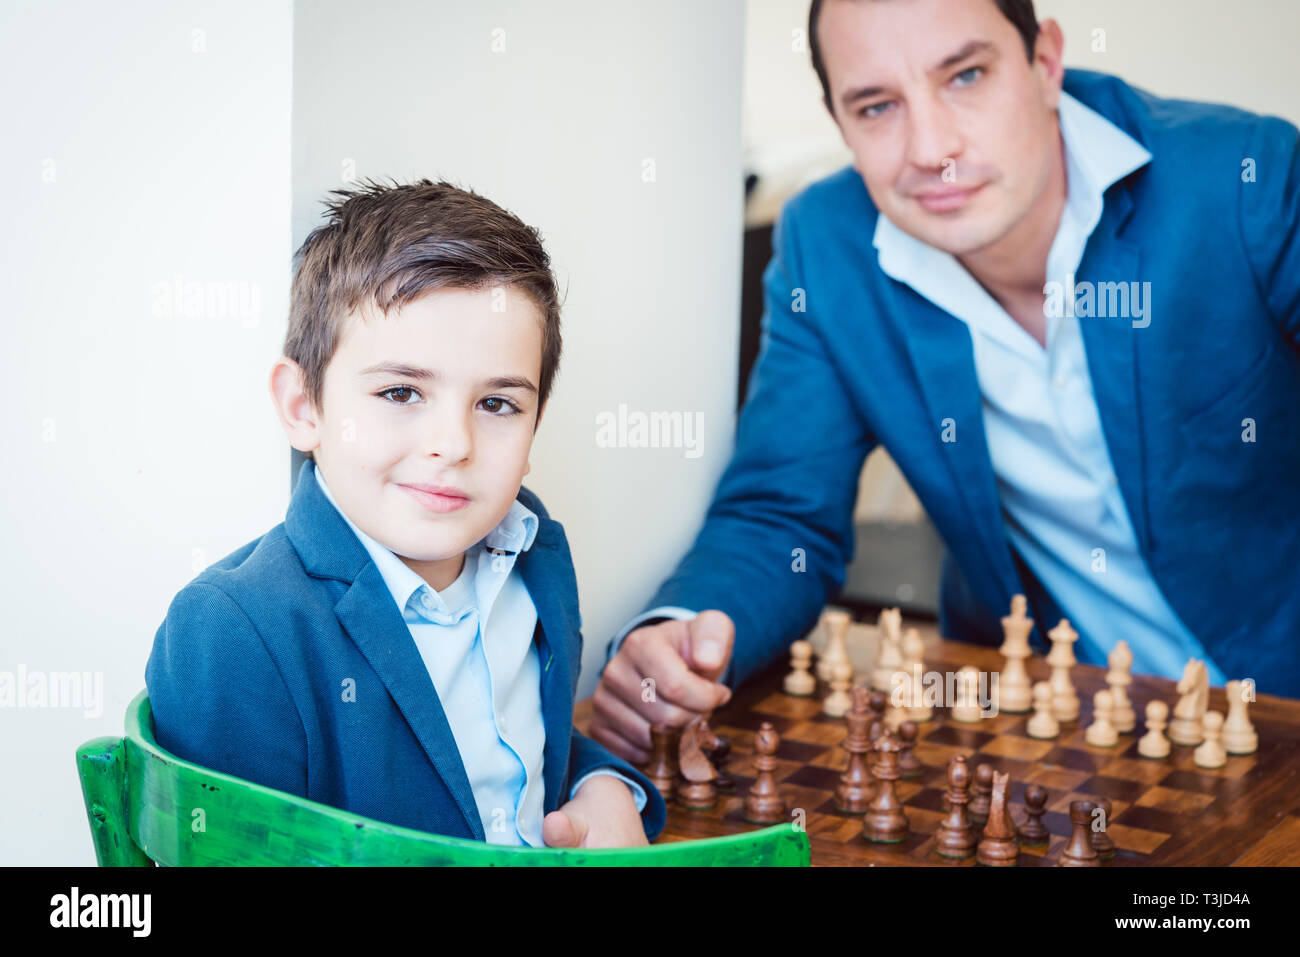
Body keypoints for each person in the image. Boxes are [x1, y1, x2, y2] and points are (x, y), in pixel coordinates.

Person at [590, 0, 1300, 765]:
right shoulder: (826, 247)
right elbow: (780, 517)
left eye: (965, 75)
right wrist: (684, 636)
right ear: (839, 122)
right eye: (877, 105)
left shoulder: (1245, 181)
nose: (933, 150)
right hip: (1050, 732)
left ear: (1046, 60)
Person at [146, 178, 665, 848]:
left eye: (498, 403)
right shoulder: (232, 630)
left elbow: (520, 745)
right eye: (400, 391)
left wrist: (607, 787)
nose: (452, 443)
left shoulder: (533, 559)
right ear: (304, 406)